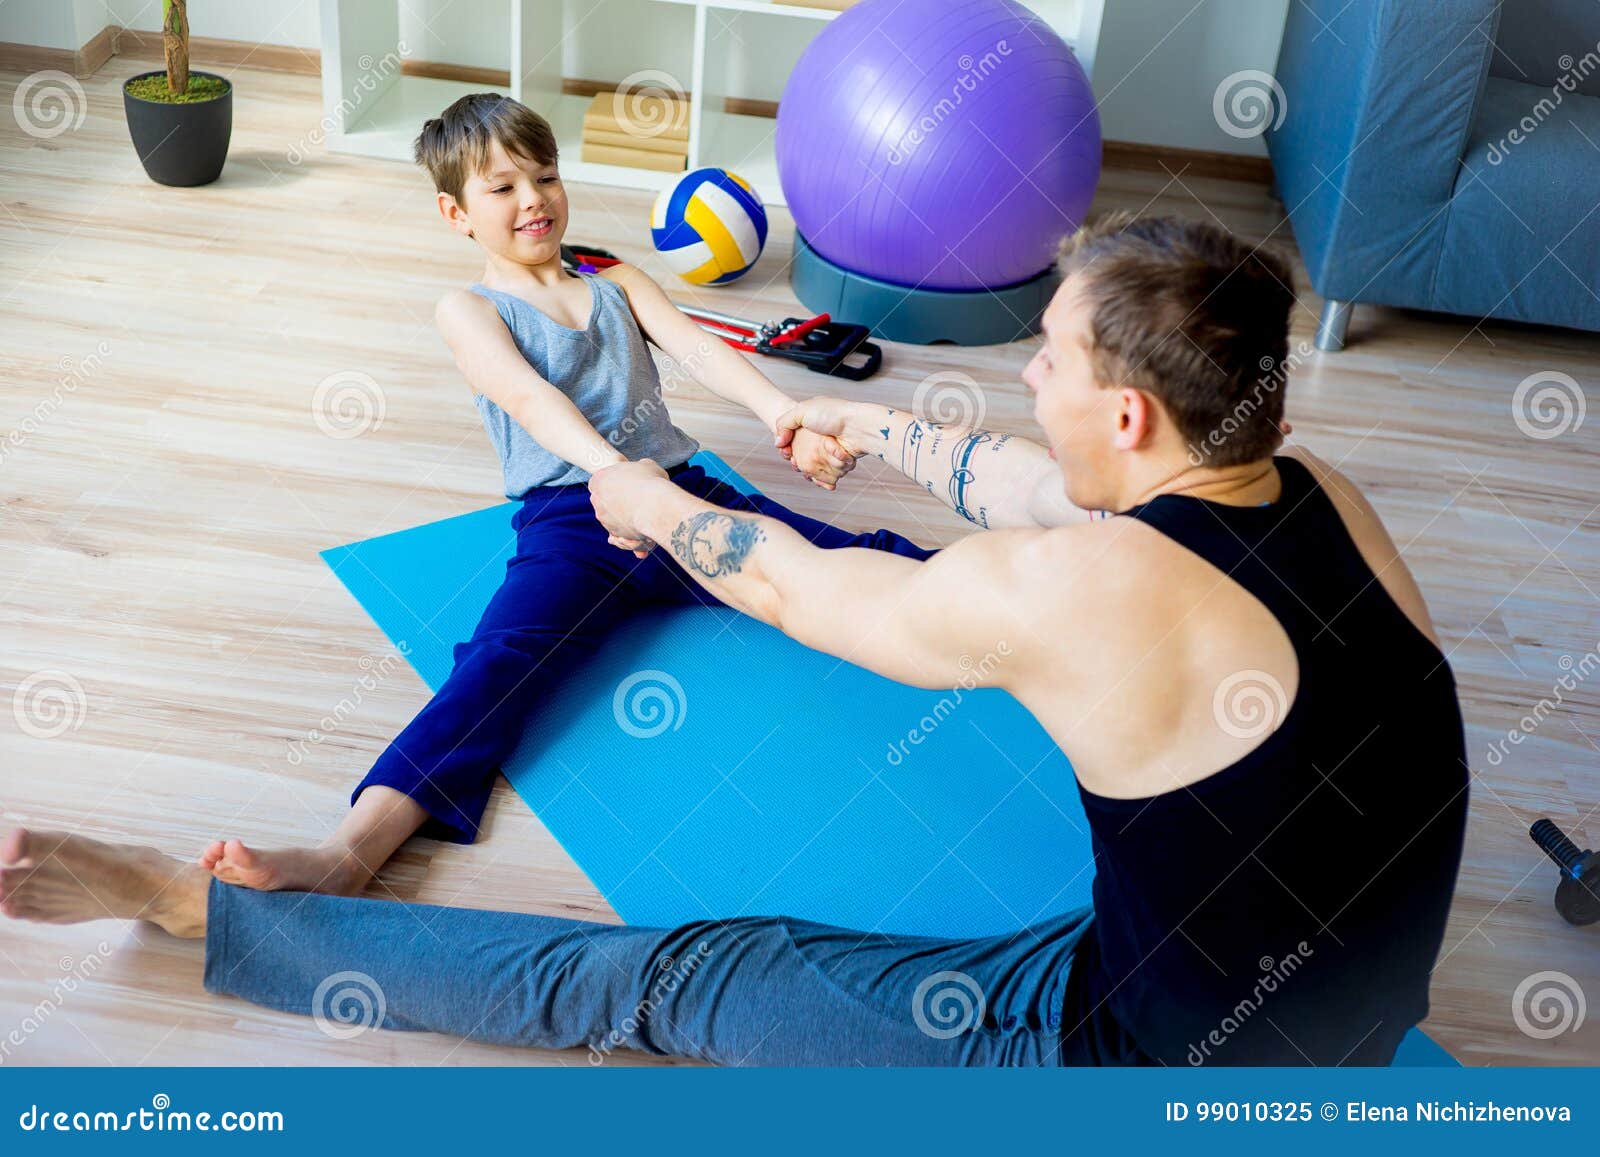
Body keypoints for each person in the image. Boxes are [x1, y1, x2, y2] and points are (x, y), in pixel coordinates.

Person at [0, 213, 1469, 1067]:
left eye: (1051, 357)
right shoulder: (1318, 493)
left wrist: (637, 493)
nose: (1026, 375)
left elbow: (791, 589)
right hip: (1319, 1018)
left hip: (1130, 1073)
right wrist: (866, 422)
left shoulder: (1080, 595)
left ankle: (219, 916)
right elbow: (1025, 483)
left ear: (1132, 415)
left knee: (663, 981)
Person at [190, 92, 892, 895]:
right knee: (495, 664)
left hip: (681, 491)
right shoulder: (469, 309)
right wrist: (614, 476)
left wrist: (785, 413)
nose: (533, 200)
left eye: (546, 177)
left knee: (835, 559)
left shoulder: (615, 278)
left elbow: (698, 350)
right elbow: (529, 398)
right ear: (456, 213)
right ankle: (345, 853)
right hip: (571, 520)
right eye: (502, 187)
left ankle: (1013, 589)